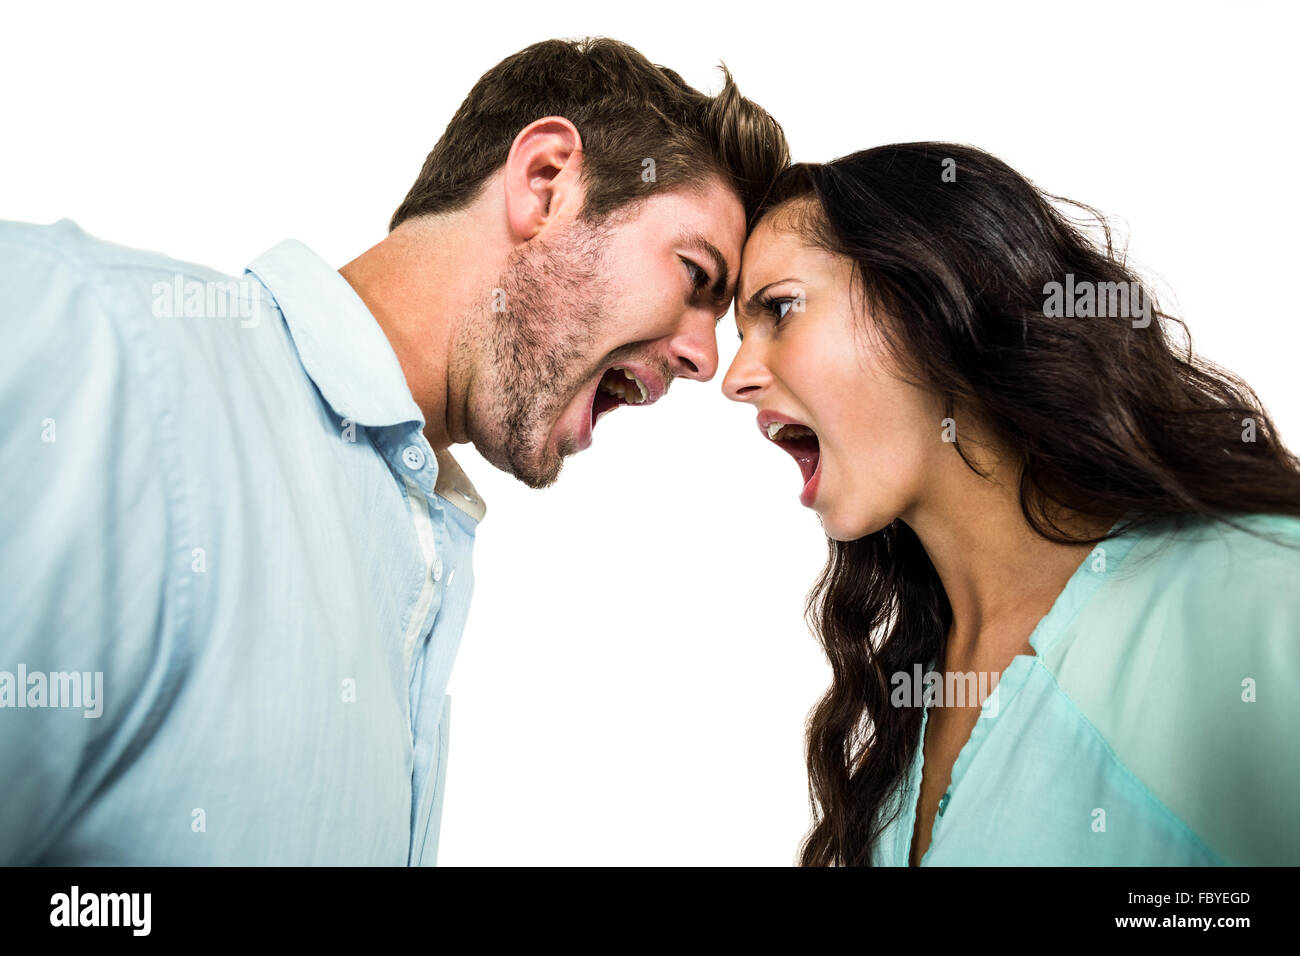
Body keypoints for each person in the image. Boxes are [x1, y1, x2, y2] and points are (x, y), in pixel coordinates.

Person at [0, 37, 789, 864]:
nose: (707, 360)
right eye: (696, 275)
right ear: (547, 182)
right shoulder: (97, 345)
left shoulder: (418, 537)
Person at [723, 143, 1300, 866]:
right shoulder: (909, 698)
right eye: (739, 336)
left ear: (933, 300)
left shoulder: (1256, 595)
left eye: (779, 309)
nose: (735, 376)